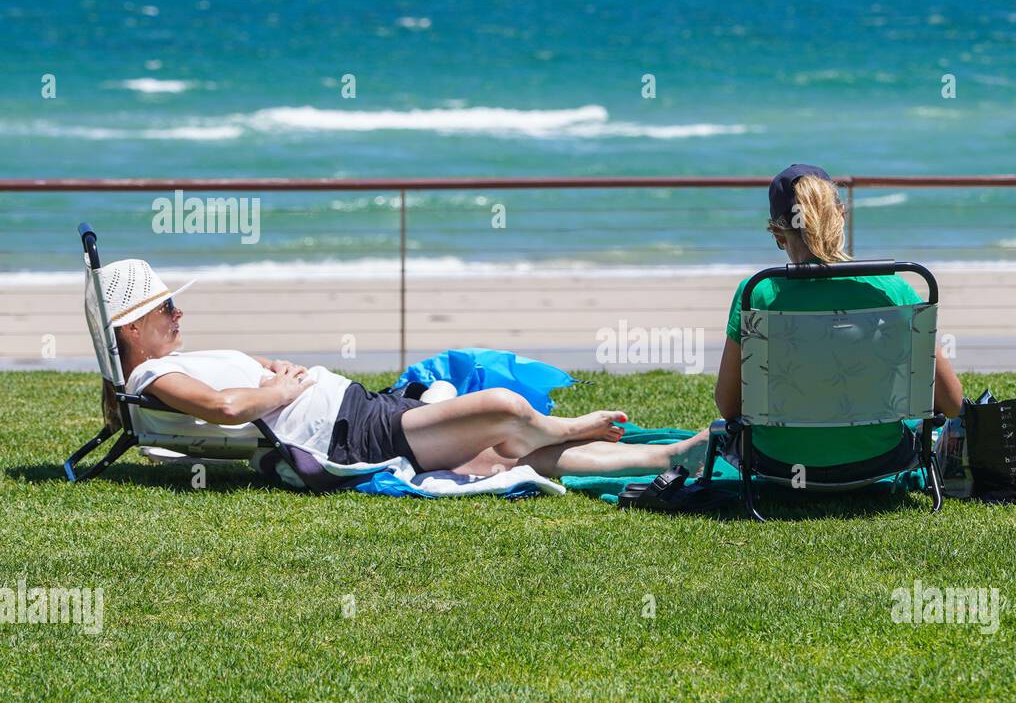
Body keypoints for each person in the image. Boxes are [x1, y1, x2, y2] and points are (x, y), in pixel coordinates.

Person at [95, 259, 707, 479]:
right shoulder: (150, 378)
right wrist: (279, 387)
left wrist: (270, 368)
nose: (180, 312)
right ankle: (567, 426)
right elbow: (227, 410)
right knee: (501, 407)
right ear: (131, 328)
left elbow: (242, 380)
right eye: (166, 306)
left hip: (356, 409)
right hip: (348, 431)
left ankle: (667, 457)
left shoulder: (175, 361)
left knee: (503, 456)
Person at [713, 163, 962, 481]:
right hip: (880, 460)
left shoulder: (757, 294)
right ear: (841, 217)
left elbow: (728, 406)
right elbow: (952, 404)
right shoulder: (895, 290)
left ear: (777, 234)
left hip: (779, 464)